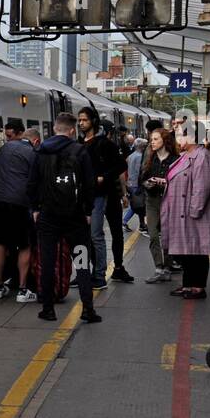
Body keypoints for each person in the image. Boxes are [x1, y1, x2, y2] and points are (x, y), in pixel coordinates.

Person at [27, 112, 101, 324]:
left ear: (54, 130)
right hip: (75, 218)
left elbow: (31, 184)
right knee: (81, 262)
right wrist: (88, 211)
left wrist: (35, 208)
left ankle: (48, 309)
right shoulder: (80, 151)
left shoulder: (40, 151)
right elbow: (89, 185)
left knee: (47, 263)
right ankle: (88, 310)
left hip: (48, 217)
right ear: (71, 131)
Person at [161, 118, 210, 299]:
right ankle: (188, 283)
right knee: (186, 249)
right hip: (181, 210)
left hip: (193, 212)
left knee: (196, 249)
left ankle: (197, 286)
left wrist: (195, 211)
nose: (177, 138)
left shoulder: (202, 156)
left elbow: (201, 187)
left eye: (180, 134)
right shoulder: (186, 155)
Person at [80, 108, 132, 288]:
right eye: (79, 121)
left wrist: (103, 177)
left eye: (84, 120)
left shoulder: (104, 144)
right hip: (85, 197)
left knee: (100, 235)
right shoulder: (79, 144)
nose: (81, 124)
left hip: (103, 195)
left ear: (93, 122)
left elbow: (120, 166)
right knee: (84, 237)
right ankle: (84, 273)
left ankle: (104, 272)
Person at [0, 123, 38, 303]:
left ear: (17, 133)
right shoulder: (31, 152)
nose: (7, 139)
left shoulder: (2, 151)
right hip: (18, 203)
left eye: (9, 135)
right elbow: (34, 179)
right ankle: (23, 290)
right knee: (24, 245)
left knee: (1, 242)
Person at [140, 127, 178, 282]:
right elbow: (141, 179)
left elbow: (179, 182)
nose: (152, 142)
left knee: (168, 235)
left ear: (165, 140)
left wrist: (166, 182)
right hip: (152, 200)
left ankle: (167, 267)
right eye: (151, 139)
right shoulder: (150, 157)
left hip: (169, 200)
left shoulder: (175, 159)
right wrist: (147, 183)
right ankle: (158, 267)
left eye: (156, 139)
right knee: (153, 235)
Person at [124, 136, 147, 235]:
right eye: (145, 146)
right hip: (136, 184)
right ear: (142, 147)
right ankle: (124, 221)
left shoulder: (131, 155)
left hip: (130, 182)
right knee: (137, 205)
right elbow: (139, 171)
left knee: (138, 204)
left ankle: (142, 224)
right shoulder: (139, 157)